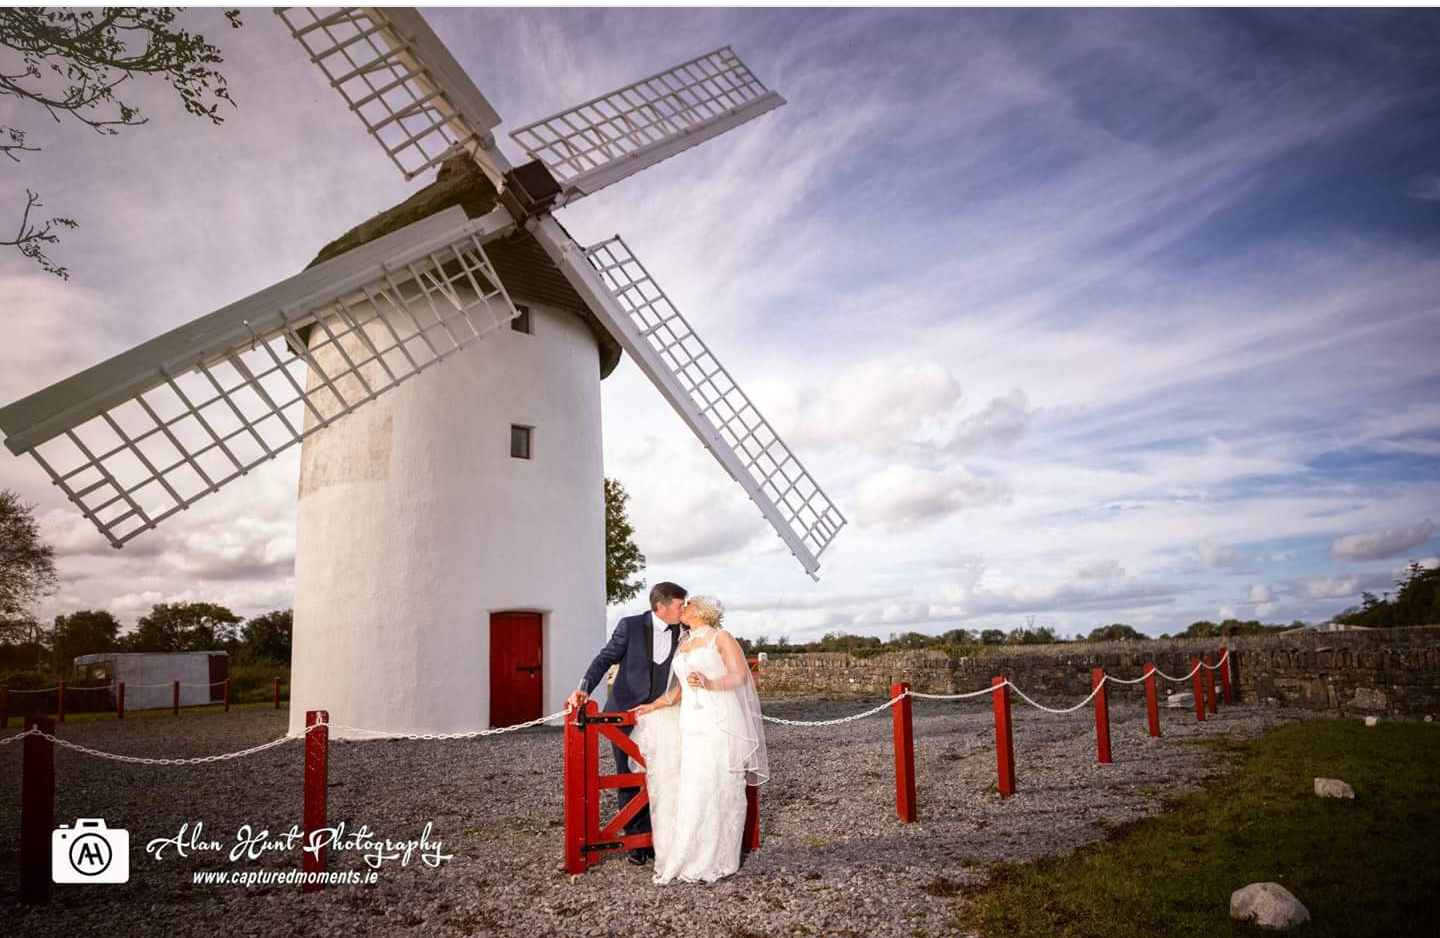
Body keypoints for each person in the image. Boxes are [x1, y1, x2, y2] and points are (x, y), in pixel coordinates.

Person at [626, 595, 770, 884]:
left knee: (716, 782)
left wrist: (710, 683)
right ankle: (690, 851)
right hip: (691, 722)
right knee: (693, 783)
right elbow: (679, 688)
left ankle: (718, 857)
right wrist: (654, 706)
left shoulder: (721, 637)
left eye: (688, 604)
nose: (683, 608)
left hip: (718, 720)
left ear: (703, 611)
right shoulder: (685, 642)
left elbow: (740, 675)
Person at [567, 581, 688, 866]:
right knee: (626, 777)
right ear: (662, 605)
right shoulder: (630, 626)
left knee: (663, 772)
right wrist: (584, 687)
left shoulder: (685, 632)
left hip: (662, 714)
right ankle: (636, 839)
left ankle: (660, 835)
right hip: (622, 713)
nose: (683, 610)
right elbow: (605, 658)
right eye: (679, 605)